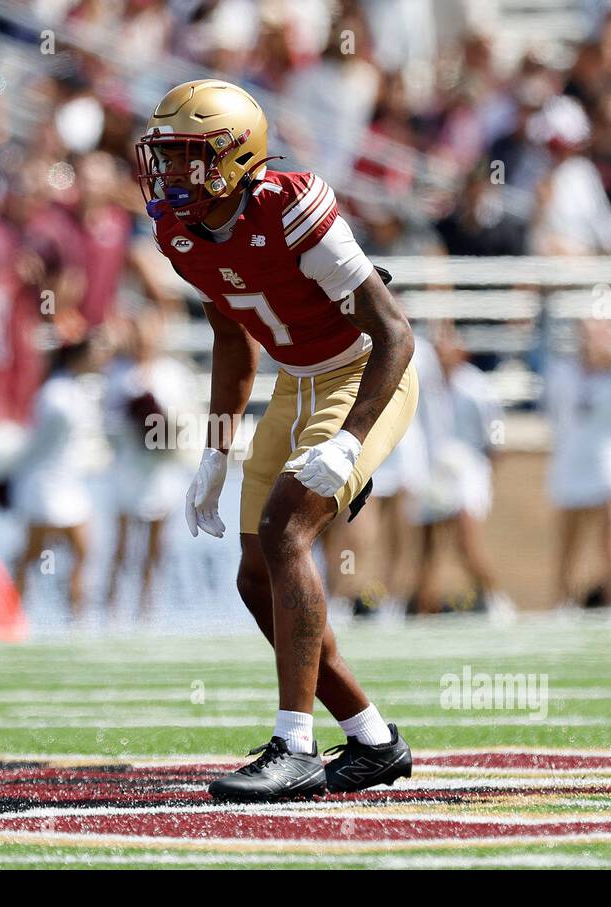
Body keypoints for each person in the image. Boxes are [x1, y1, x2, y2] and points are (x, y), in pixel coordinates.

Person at [138, 79, 419, 801]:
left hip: (365, 375)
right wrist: (213, 450)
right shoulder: (178, 232)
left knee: (284, 529)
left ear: (234, 159)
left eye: (186, 159)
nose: (169, 176)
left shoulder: (292, 207)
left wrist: (351, 442)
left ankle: (293, 744)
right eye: (162, 159)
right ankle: (371, 739)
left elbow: (393, 332)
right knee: (254, 575)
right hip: (298, 383)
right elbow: (233, 344)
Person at [408, 322, 513, 622]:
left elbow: (495, 435)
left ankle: (494, 599)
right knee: (427, 546)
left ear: (461, 350)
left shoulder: (476, 387)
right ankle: (424, 611)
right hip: (433, 472)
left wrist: (483, 471)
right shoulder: (425, 385)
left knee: (466, 541)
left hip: (468, 471)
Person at [545, 316, 611, 608]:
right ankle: (563, 605)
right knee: (568, 543)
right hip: (572, 462)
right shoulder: (563, 372)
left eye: (599, 335)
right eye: (587, 334)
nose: (592, 341)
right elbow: (555, 417)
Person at [102, 310, 194, 617]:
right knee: (122, 542)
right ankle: (111, 605)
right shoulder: (117, 372)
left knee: (156, 544)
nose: (142, 341)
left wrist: (167, 431)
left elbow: (186, 416)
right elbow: (108, 422)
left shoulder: (172, 373)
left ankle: (146, 605)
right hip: (129, 464)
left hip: (162, 465)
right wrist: (133, 425)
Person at [11, 336, 103, 619]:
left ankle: (76, 618)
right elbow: (39, 441)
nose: (99, 358)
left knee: (83, 552)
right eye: (92, 353)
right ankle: (12, 612)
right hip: (46, 484)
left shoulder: (78, 389)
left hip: (70, 484)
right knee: (31, 554)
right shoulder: (55, 394)